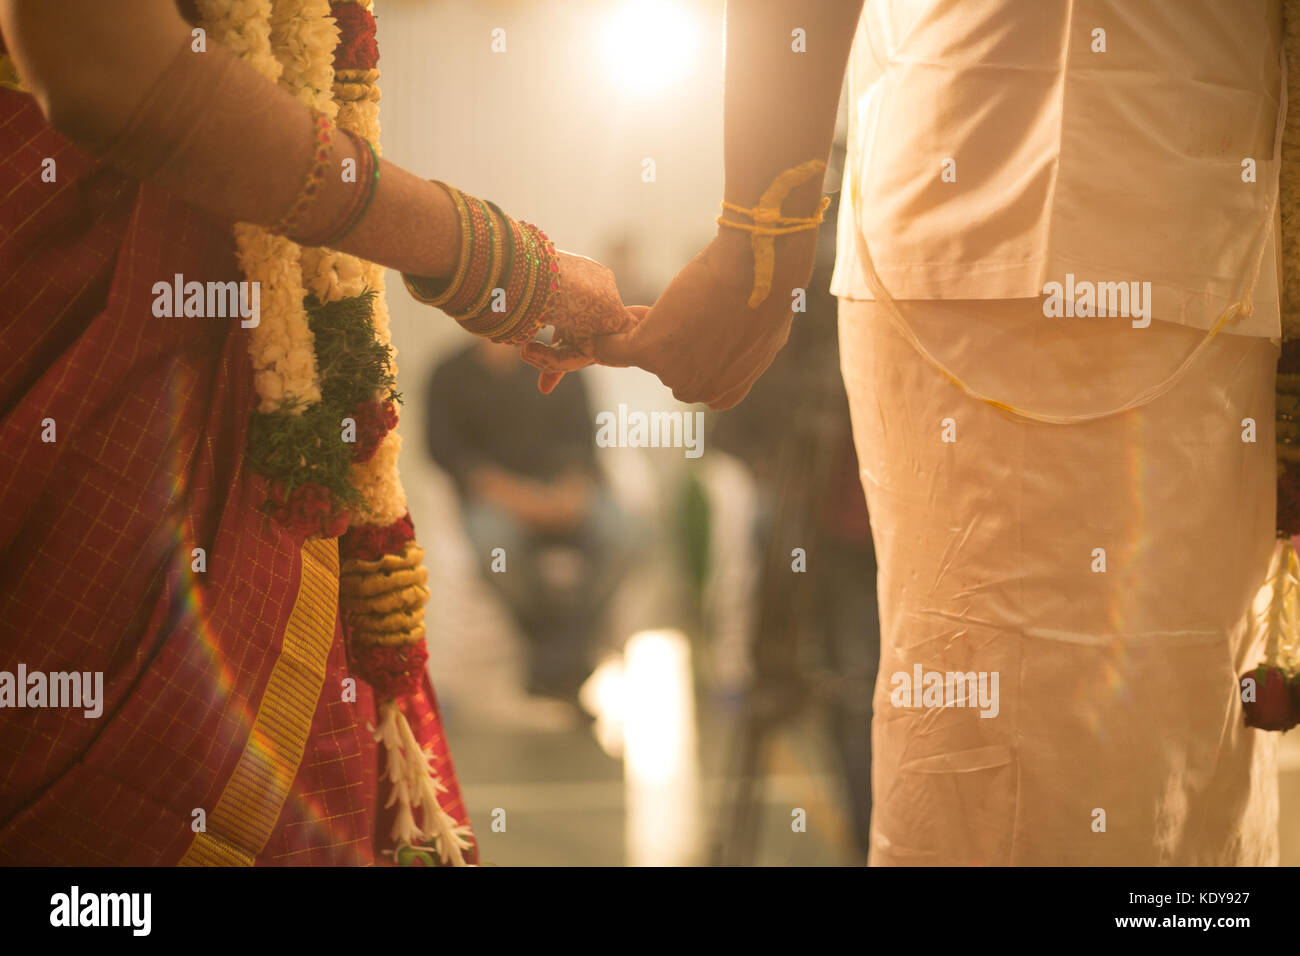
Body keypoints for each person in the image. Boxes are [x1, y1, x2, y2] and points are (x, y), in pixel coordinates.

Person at [528, 0, 1285, 864]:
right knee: (1031, 762)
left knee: (1185, 768)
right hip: (1033, 219)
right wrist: (759, 242)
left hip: (1196, 248)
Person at [0, 0, 636, 865]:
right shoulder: (456, 375)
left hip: (252, 403)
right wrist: (496, 263)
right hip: (82, 343)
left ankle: (562, 674)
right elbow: (108, 69)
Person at [426, 339, 635, 702]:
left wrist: (570, 491)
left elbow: (583, 437)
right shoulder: (449, 374)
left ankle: (565, 647)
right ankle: (551, 645)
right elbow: (447, 452)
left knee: (624, 537)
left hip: (563, 492)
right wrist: (519, 500)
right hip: (496, 499)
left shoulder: (561, 361)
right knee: (496, 548)